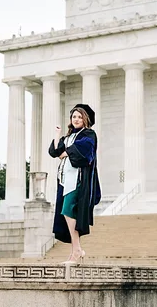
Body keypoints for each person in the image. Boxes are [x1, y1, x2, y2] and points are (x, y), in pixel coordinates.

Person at [47, 103, 102, 264]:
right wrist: (57, 135)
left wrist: (67, 152)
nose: (76, 119)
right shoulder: (68, 137)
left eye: (79, 117)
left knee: (67, 211)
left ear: (85, 119)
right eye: (74, 117)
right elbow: (55, 152)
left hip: (77, 180)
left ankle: (77, 250)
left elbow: (84, 153)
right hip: (64, 180)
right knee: (66, 212)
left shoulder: (89, 134)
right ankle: (76, 250)